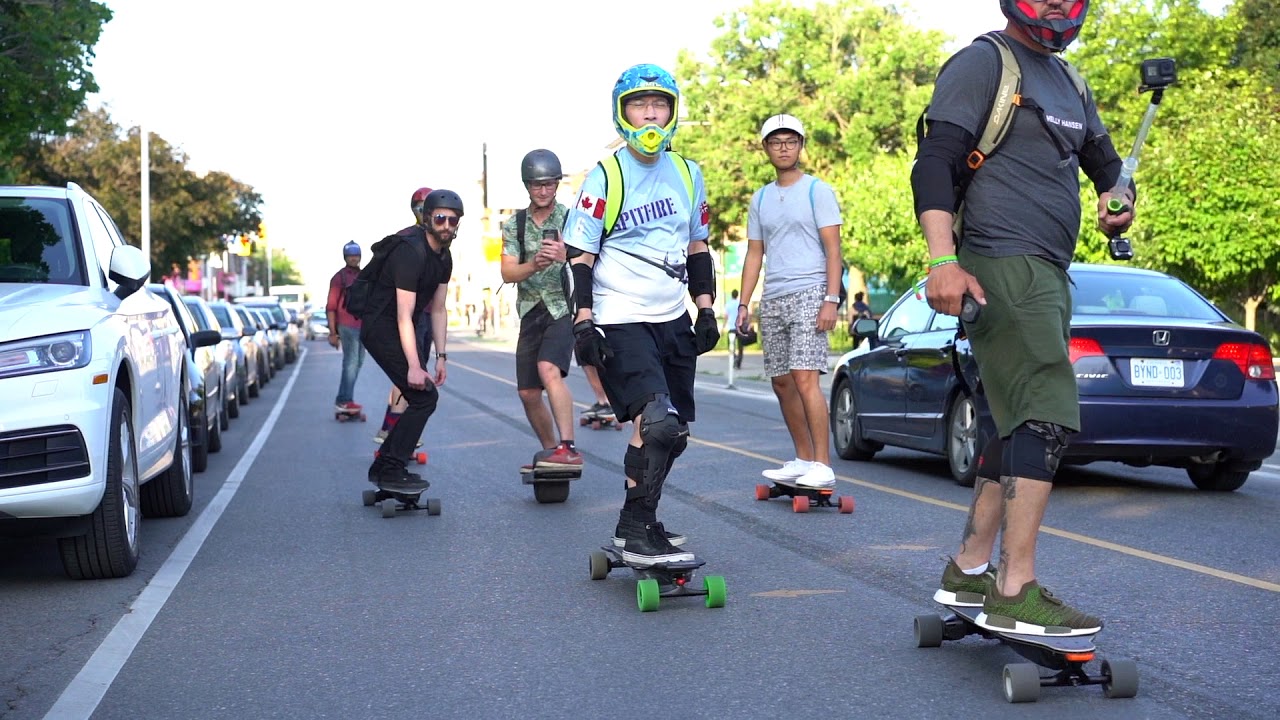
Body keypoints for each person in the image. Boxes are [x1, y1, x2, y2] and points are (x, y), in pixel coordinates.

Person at [913, 0, 1133, 634]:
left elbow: (1110, 171)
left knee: (1011, 423)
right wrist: (942, 259)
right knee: (1045, 412)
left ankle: (969, 569)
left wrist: (1120, 199)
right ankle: (1015, 586)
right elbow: (934, 163)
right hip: (1002, 259)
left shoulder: (1070, 81)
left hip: (1050, 269)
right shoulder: (985, 62)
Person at [562, 63, 717, 566]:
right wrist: (583, 319)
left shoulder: (689, 173)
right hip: (619, 313)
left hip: (672, 316)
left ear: (672, 112)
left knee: (675, 433)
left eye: (659, 105)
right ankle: (633, 528)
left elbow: (697, 245)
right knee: (657, 424)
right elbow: (579, 256)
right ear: (621, 114)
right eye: (639, 105)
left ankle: (642, 522)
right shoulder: (605, 176)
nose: (650, 115)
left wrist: (706, 308)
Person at [736, 113, 844, 489]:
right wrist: (744, 304)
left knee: (804, 378)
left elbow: (834, 250)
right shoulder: (761, 198)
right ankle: (803, 458)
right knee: (781, 382)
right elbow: (754, 254)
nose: (784, 147)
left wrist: (831, 299)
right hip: (775, 296)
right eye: (776, 142)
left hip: (811, 292)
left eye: (790, 141)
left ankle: (823, 464)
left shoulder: (818, 191)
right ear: (765, 148)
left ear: (800, 146)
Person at [360, 189, 460, 493]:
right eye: (440, 218)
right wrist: (415, 366)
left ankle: (386, 466)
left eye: (453, 221)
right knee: (423, 396)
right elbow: (404, 315)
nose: (446, 225)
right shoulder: (410, 253)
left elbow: (439, 308)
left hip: (400, 327)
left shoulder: (444, 257)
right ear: (428, 218)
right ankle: (389, 468)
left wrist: (441, 357)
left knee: (423, 397)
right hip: (380, 327)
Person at [500, 148, 583, 472]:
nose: (544, 191)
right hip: (531, 310)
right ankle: (552, 452)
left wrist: (565, 255)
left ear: (557, 184)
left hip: (564, 307)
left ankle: (568, 446)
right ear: (527, 186)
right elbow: (508, 273)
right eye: (538, 185)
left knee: (549, 369)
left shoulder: (572, 218)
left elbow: (591, 260)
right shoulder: (514, 225)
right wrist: (534, 263)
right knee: (528, 392)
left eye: (550, 184)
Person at [375, 188, 435, 445]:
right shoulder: (408, 238)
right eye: (419, 207)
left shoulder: (437, 238)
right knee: (411, 373)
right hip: (410, 315)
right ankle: (394, 430)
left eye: (427, 207)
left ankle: (389, 427)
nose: (423, 212)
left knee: (412, 373)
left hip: (428, 314)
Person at [327, 241, 366, 414]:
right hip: (347, 325)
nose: (354, 258)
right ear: (345, 257)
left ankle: (345, 398)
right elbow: (330, 307)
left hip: (363, 326)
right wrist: (332, 333)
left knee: (357, 363)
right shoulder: (339, 278)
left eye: (356, 255)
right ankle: (343, 400)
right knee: (350, 362)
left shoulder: (365, 275)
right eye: (351, 255)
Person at [724, 289, 743, 370]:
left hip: (731, 327)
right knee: (740, 346)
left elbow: (726, 316)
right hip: (740, 327)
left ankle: (734, 357)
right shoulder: (739, 303)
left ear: (731, 295)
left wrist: (724, 325)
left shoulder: (728, 304)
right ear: (737, 295)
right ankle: (738, 363)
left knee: (731, 345)